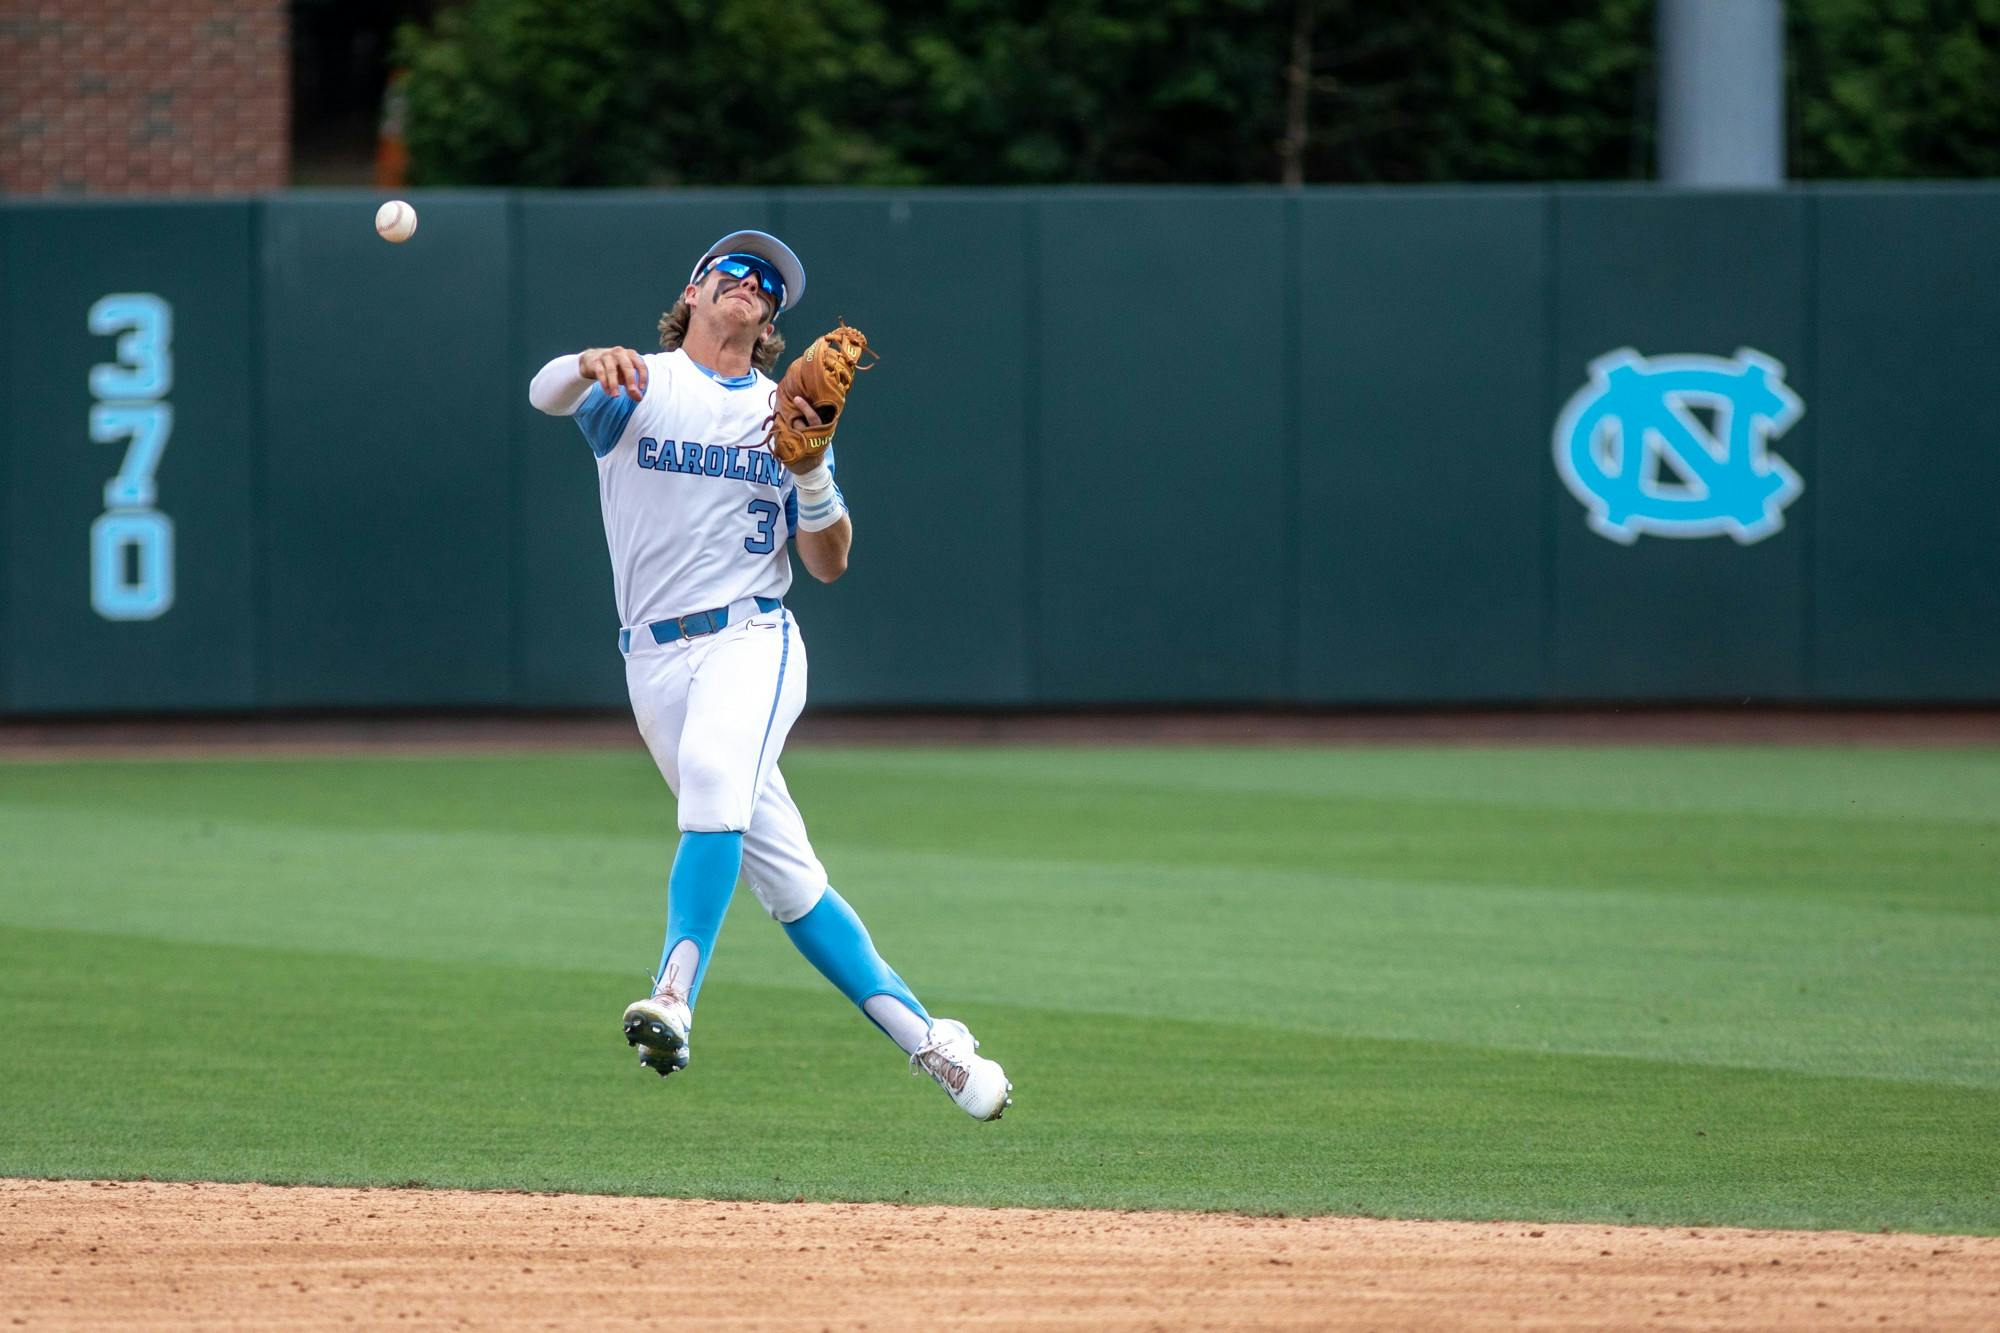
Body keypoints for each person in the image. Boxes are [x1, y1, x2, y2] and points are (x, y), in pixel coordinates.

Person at [526, 230, 1011, 1121]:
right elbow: (544, 393)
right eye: (733, 271)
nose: (749, 285)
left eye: (767, 285)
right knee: (790, 883)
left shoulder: (783, 412)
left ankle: (673, 994)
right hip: (653, 663)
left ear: (772, 320)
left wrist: (817, 469)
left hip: (753, 640)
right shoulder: (639, 381)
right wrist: (580, 361)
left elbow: (829, 561)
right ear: (696, 289)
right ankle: (937, 1043)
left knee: (714, 780)